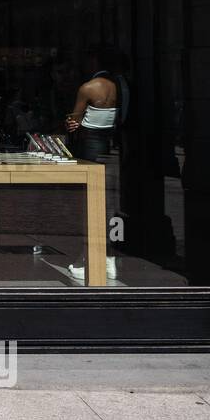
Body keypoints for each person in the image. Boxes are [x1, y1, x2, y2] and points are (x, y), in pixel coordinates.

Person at [64, 48, 123, 281]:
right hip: (111, 143)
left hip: (90, 142)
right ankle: (108, 257)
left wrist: (69, 122)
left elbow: (74, 120)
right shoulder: (119, 85)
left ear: (93, 60)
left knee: (90, 200)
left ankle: (90, 259)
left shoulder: (88, 87)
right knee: (107, 201)